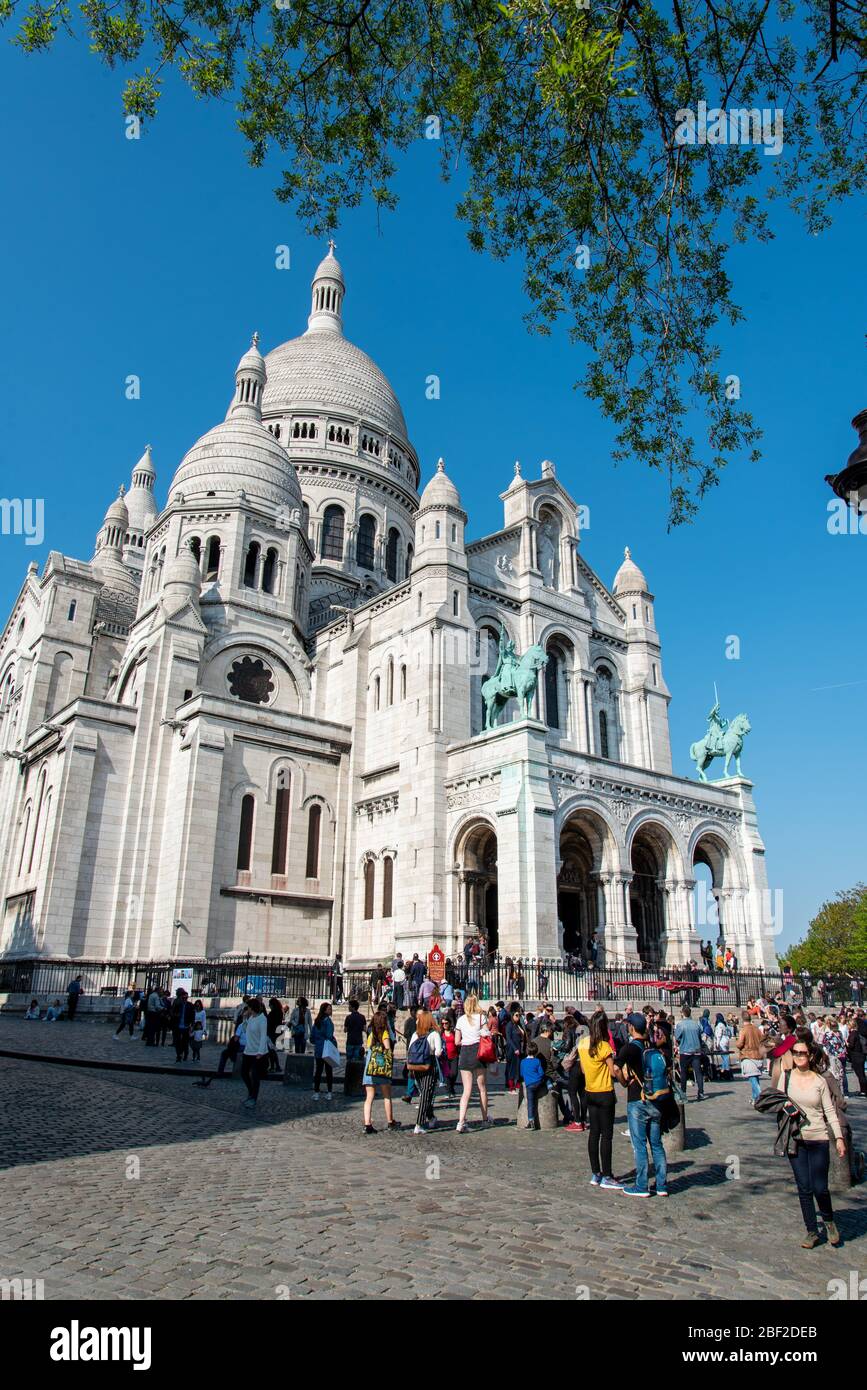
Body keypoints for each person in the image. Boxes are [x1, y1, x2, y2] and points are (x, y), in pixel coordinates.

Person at [783, 1032, 845, 1248]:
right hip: (795, 1138)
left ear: (810, 1056)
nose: (799, 1056)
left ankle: (828, 1221)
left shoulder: (820, 1081)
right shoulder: (786, 1077)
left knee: (820, 1187)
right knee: (804, 1187)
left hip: (818, 1137)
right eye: (796, 1053)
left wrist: (838, 1137)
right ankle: (811, 1230)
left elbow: (829, 1110)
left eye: (803, 1053)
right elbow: (776, 1101)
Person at [613, 1013, 669, 1198]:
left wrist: (623, 1081)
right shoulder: (651, 1045)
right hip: (656, 1098)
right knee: (657, 1144)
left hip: (638, 1099)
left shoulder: (629, 1048)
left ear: (631, 1028)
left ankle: (642, 1185)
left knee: (639, 1145)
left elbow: (615, 1069)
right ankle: (661, 1185)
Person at [577, 1010, 621, 1189]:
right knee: (607, 1135)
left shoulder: (582, 1044)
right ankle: (607, 1175)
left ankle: (595, 1173)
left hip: (589, 1092)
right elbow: (613, 1072)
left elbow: (582, 1070)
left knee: (593, 1133)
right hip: (604, 1093)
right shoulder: (604, 1047)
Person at [454, 992, 493, 1132]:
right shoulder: (482, 1017)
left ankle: (461, 1121)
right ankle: (484, 1119)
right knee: (482, 1087)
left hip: (465, 1052)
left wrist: (466, 1039)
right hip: (478, 1052)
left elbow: (457, 1041)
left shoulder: (461, 1020)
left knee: (466, 1090)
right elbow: (486, 1034)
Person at [362, 1010, 399, 1133]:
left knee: (369, 1097)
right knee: (387, 1096)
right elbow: (388, 1050)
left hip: (370, 1066)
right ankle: (390, 1121)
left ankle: (367, 1124)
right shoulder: (384, 1033)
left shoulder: (370, 1033)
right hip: (381, 1067)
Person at [407, 1009, 443, 1134]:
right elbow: (438, 1052)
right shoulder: (434, 1034)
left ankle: (431, 1117)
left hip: (416, 1067)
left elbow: (409, 1050)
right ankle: (419, 1123)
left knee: (424, 1093)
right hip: (429, 1066)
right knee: (426, 1095)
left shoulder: (415, 1034)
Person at [241, 998, 270, 1110]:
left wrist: (260, 1052)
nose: (247, 1009)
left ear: (252, 1008)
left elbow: (263, 1036)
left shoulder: (262, 1019)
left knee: (255, 1076)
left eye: (248, 1007)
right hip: (248, 1051)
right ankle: (250, 1092)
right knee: (244, 1073)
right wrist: (244, 1018)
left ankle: (254, 1098)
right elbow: (244, 1030)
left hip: (258, 1052)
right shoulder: (251, 1018)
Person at [674, 1006, 704, 1100]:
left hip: (686, 1051)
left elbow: (677, 1037)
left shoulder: (681, 1025)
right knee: (698, 1072)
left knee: (684, 1072)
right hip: (696, 1051)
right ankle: (701, 1092)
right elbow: (700, 1036)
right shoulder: (696, 1024)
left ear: (682, 1013)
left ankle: (683, 1092)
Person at [736, 1010, 765, 1105]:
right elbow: (762, 1040)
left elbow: (740, 1044)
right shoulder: (757, 1029)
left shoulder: (743, 1030)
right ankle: (754, 1098)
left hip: (748, 1056)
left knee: (753, 1079)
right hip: (758, 1055)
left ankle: (761, 1097)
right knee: (755, 1077)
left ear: (742, 1019)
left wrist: (736, 1042)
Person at [310, 1002, 336, 1101]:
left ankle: (316, 1092)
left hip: (319, 1049)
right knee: (329, 1071)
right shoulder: (328, 1021)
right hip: (327, 1048)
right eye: (329, 1009)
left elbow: (312, 1038)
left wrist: (317, 1040)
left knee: (318, 1071)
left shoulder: (317, 1021)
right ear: (325, 1010)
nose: (331, 1010)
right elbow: (329, 1035)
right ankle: (329, 1092)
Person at [519, 1043, 547, 1130]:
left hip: (529, 1085)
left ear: (526, 1051)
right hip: (538, 1082)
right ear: (536, 1052)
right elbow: (541, 1073)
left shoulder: (523, 1062)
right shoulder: (537, 1061)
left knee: (530, 1103)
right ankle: (549, 1086)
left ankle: (531, 1122)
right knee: (548, 1078)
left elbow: (522, 1074)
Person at [217, 1011, 247, 1077]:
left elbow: (236, 1039)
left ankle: (220, 1072)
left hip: (242, 1047)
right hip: (251, 1047)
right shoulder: (255, 1024)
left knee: (224, 1053)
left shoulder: (242, 1025)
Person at [170, 989, 196, 1062]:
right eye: (183, 998)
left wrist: (192, 1025)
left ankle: (185, 1053)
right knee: (177, 1042)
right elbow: (171, 1012)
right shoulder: (178, 1005)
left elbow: (192, 1016)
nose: (184, 999)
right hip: (178, 1025)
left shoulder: (190, 1005)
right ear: (181, 997)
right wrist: (176, 1015)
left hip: (186, 1026)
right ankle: (179, 1055)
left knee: (185, 1042)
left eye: (186, 998)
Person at [505, 1007, 527, 1092]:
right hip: (512, 1049)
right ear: (512, 1016)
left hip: (520, 1048)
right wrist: (515, 1049)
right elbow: (509, 1038)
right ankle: (511, 1087)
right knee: (512, 1069)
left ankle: (518, 1085)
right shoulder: (509, 1025)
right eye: (517, 1015)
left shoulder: (519, 1025)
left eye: (519, 1015)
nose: (518, 1017)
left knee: (519, 1068)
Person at [343, 998, 367, 1065]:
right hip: (358, 1041)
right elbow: (365, 1029)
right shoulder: (362, 1017)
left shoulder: (348, 1017)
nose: (348, 1007)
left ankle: (349, 1073)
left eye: (349, 1006)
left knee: (349, 1060)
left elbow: (345, 1030)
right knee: (357, 1060)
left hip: (350, 1040)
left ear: (353, 1007)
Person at [143, 982, 165, 1047]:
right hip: (154, 1013)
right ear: (158, 990)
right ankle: (151, 1041)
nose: (162, 992)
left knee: (150, 1028)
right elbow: (157, 1006)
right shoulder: (156, 996)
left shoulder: (151, 995)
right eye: (161, 991)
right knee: (153, 1028)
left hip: (149, 1012)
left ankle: (149, 1041)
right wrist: (163, 1008)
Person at [266, 997, 284, 1072]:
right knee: (272, 1050)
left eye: (270, 1004)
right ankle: (275, 1066)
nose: (269, 1006)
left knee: (271, 1051)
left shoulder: (273, 1013)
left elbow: (270, 1023)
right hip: (277, 1033)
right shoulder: (279, 1012)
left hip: (271, 1033)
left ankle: (275, 1066)